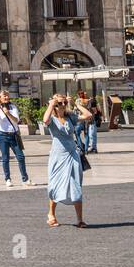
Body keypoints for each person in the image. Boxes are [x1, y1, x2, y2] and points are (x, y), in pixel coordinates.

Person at [43, 94, 92, 228]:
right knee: (55, 185)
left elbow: (88, 116)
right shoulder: (52, 119)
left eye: (64, 102)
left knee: (76, 185)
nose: (63, 105)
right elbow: (45, 119)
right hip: (58, 156)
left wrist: (77, 105)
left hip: (72, 154)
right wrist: (51, 104)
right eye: (60, 103)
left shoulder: (70, 117)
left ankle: (80, 219)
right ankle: (51, 214)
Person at [0, 91, 31, 187]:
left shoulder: (13, 107)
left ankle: (25, 179)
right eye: (4, 96)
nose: (7, 97)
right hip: (2, 135)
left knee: (21, 156)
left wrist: (8, 113)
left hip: (14, 135)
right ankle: (8, 179)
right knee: (5, 158)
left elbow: (16, 120)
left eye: (7, 96)